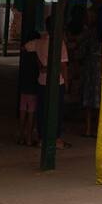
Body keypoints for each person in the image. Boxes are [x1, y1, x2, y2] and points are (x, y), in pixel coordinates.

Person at [26, 17, 70, 149]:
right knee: (56, 111)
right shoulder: (59, 43)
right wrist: (67, 83)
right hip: (57, 82)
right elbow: (63, 66)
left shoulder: (39, 42)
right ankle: (56, 138)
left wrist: (39, 63)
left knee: (42, 110)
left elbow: (25, 47)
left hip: (42, 81)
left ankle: (41, 138)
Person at [79, 14, 102, 138]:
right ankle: (100, 129)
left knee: (89, 100)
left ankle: (88, 129)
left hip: (90, 70)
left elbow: (82, 51)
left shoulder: (89, 34)